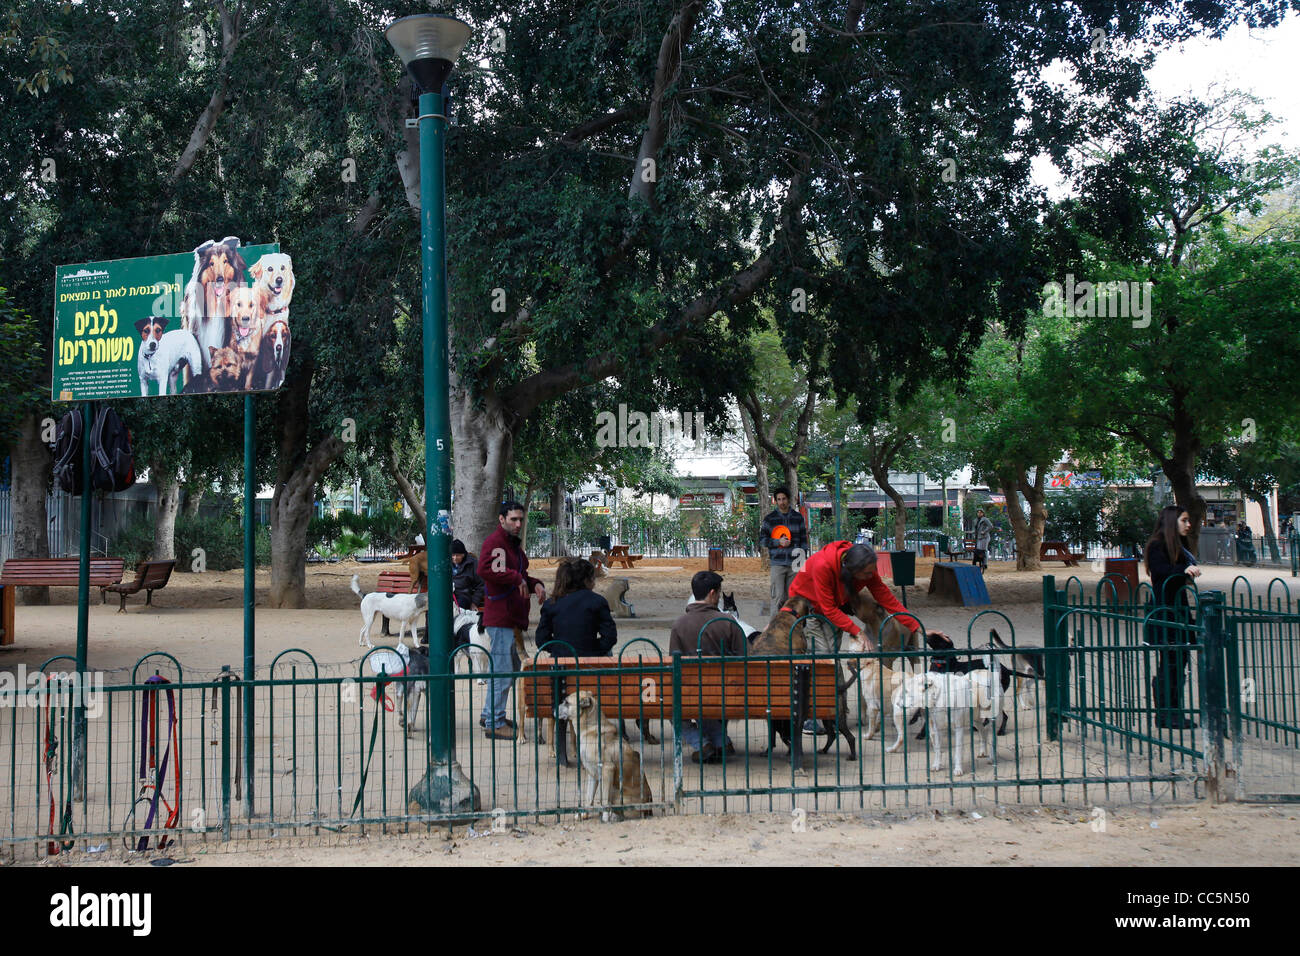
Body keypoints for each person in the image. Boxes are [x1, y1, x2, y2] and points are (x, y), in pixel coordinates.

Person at [787, 540, 925, 734]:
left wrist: (917, 627)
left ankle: (836, 712)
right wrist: (857, 631)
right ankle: (814, 716)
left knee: (833, 658)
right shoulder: (823, 565)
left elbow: (885, 596)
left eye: (872, 572)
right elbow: (827, 608)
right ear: (853, 569)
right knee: (823, 658)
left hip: (834, 606)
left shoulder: (864, 567)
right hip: (808, 605)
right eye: (867, 573)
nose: (871, 576)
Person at [536, 558, 618, 765]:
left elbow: (541, 640)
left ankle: (562, 751)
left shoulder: (551, 605)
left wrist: (560, 650)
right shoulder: (597, 602)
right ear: (587, 580)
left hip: (561, 677)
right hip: (591, 675)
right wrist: (593, 650)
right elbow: (610, 637)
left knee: (559, 686)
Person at [477, 501, 546, 740]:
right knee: (503, 670)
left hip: (510, 617)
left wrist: (535, 583)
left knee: (505, 668)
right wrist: (517, 578)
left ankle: (490, 714)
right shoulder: (496, 542)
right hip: (501, 616)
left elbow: (521, 574)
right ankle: (494, 722)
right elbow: (485, 570)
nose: (518, 524)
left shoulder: (511, 545)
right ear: (502, 519)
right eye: (513, 519)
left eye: (520, 520)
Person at [670, 570, 746, 763]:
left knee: (678, 707)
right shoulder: (728, 621)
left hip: (691, 692)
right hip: (727, 693)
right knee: (707, 700)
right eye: (719, 593)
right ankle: (721, 741)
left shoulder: (679, 624)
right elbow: (746, 657)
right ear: (712, 593)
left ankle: (701, 743)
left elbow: (674, 662)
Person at [1143, 505, 1203, 730]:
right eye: (1184, 520)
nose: (1189, 525)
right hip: (1165, 611)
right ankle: (1166, 713)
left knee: (1180, 662)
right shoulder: (1157, 545)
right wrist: (1183, 571)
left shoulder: (1179, 545)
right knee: (1170, 662)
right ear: (1172, 521)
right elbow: (1161, 572)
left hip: (1179, 611)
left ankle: (1173, 710)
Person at [760, 487, 808, 609]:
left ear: (789, 499)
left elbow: (804, 540)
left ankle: (793, 627)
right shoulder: (770, 519)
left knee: (794, 599)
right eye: (779, 499)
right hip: (778, 563)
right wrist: (777, 542)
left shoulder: (798, 518)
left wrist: (803, 562)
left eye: (784, 499)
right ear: (775, 501)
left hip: (795, 563)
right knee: (778, 597)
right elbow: (762, 540)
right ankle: (774, 627)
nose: (782, 502)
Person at [450, 538, 485, 610]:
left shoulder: (473, 563)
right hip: (448, 594)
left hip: (464, 596)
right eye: (453, 555)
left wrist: (474, 602)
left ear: (463, 554)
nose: (455, 558)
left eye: (458, 555)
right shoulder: (446, 561)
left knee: (458, 609)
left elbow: (481, 585)